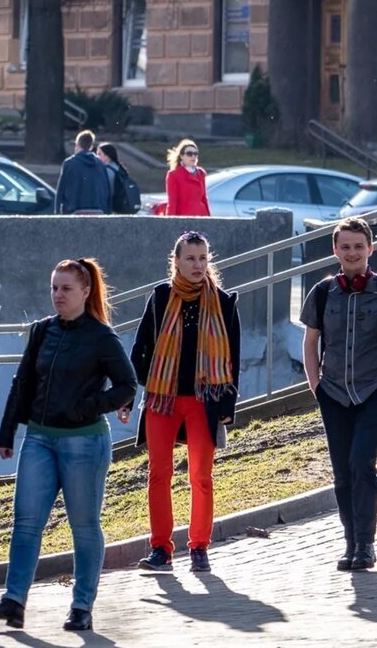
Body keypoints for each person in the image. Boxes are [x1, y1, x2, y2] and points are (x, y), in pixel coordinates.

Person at [0, 259, 137, 633]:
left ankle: (82, 606)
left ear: (85, 291)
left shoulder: (101, 336)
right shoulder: (41, 331)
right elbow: (22, 383)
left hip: (85, 442)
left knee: (83, 526)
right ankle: (14, 601)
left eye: (66, 289)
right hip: (38, 438)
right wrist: (6, 433)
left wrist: (88, 406)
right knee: (26, 522)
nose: (58, 295)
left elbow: (127, 385)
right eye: (53, 288)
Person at [301, 217, 377, 571]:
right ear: (335, 250)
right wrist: (315, 385)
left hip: (372, 392)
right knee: (341, 472)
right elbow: (310, 343)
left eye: (358, 246)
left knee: (361, 464)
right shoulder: (322, 292)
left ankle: (366, 545)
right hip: (332, 393)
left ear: (371, 249)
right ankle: (349, 543)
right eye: (345, 246)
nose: (352, 253)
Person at [130, 232, 241, 573]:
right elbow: (140, 351)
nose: (197, 265)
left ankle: (199, 548)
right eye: (190, 258)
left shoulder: (222, 301)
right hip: (162, 401)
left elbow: (234, 359)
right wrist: (151, 384)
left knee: (201, 476)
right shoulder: (161, 296)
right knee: (158, 474)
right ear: (176, 261)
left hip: (203, 402)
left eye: (203, 258)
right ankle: (161, 548)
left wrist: (226, 408)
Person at [56, 129, 113, 214]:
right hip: (98, 213)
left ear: (77, 145)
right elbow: (107, 191)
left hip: (73, 213)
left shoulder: (69, 164)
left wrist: (57, 212)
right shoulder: (101, 165)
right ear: (91, 147)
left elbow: (60, 191)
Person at [164, 138, 211, 216]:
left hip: (201, 215)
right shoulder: (174, 175)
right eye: (189, 153)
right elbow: (172, 202)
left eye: (195, 153)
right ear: (182, 156)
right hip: (183, 215)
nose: (193, 156)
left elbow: (204, 198)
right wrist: (170, 222)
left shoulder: (201, 173)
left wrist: (209, 219)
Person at [97, 142, 141, 215]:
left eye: (99, 154)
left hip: (113, 209)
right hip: (122, 207)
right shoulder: (119, 168)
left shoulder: (108, 171)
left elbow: (107, 193)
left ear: (106, 156)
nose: (97, 156)